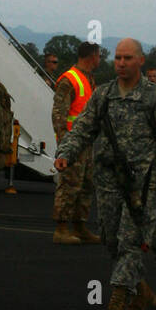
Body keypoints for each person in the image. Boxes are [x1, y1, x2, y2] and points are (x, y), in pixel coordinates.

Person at [54, 39, 156, 310]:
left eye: (128, 58)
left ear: (141, 61)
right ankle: (138, 289)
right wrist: (66, 152)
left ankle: (117, 299)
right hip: (108, 179)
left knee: (131, 240)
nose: (121, 63)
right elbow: (83, 128)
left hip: (145, 183)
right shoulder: (104, 95)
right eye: (117, 58)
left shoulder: (155, 99)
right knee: (111, 237)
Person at [51, 41, 102, 244]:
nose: (100, 60)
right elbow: (58, 115)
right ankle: (61, 229)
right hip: (73, 144)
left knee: (86, 186)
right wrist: (65, 147)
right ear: (92, 56)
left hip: (87, 143)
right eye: (98, 56)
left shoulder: (89, 79)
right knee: (69, 185)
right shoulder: (69, 80)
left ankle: (80, 226)